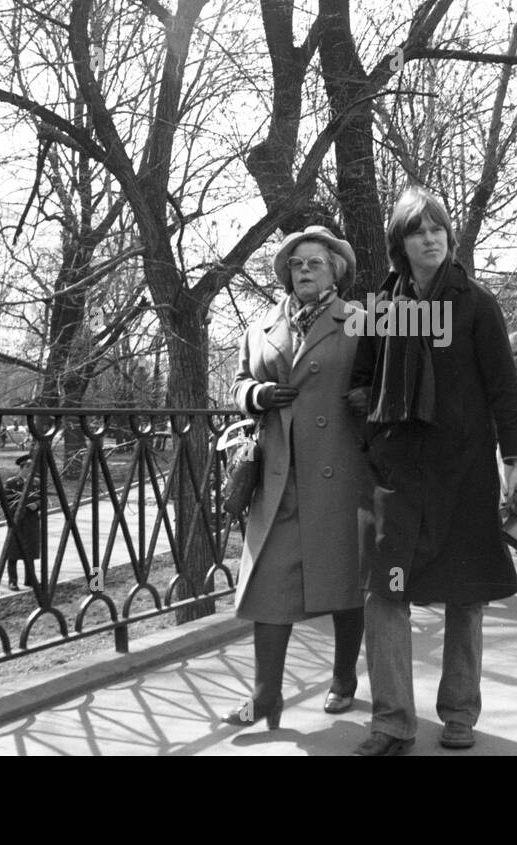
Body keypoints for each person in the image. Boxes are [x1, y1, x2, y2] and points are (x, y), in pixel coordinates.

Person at [347, 185, 517, 756]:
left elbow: (504, 388)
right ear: (400, 243)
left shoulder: (475, 303)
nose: (431, 238)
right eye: (418, 230)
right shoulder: (382, 307)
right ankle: (392, 722)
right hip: (397, 472)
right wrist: (375, 437)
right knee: (386, 591)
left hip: (462, 469)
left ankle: (458, 714)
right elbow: (360, 383)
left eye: (438, 229)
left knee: (464, 591)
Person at [224, 226, 368, 729]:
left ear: (336, 271)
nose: (304, 271)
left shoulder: (360, 323)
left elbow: (380, 384)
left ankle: (344, 679)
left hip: (340, 470)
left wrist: (366, 400)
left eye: (316, 263)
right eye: (297, 264)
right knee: (269, 580)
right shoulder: (261, 326)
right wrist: (257, 395)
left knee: (344, 579)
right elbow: (238, 382)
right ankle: (266, 696)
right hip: (279, 471)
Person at [3, 455, 41, 590]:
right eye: (28, 467)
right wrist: (21, 505)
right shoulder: (11, 483)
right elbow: (6, 501)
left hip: (31, 521)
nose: (30, 470)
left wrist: (36, 505)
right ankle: (12, 581)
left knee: (29, 551)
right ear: (22, 467)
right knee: (13, 552)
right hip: (17, 521)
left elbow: (42, 499)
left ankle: (30, 579)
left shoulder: (36, 482)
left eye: (32, 468)